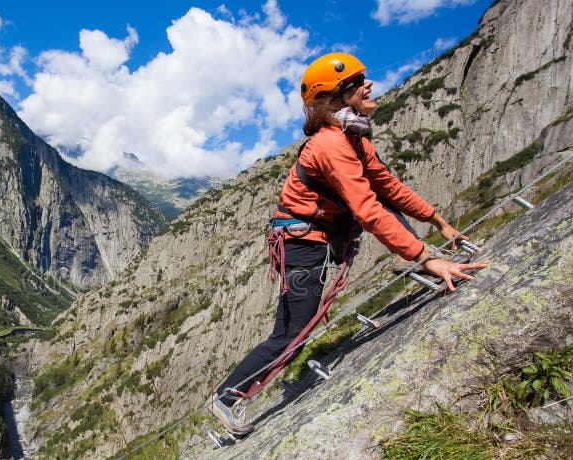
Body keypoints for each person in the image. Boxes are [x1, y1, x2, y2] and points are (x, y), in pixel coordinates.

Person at [207, 52, 488, 437]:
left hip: (309, 237)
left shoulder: (354, 140)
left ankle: (228, 395)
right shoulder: (331, 146)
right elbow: (368, 210)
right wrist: (427, 258)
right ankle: (226, 397)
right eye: (357, 82)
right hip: (302, 244)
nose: (368, 85)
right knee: (291, 334)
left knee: (290, 330)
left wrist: (438, 221)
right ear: (336, 98)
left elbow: (389, 188)